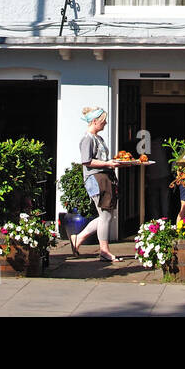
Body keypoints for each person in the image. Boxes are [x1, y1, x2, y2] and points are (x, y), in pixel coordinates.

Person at [70, 107, 121, 262]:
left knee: (107, 215)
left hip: (104, 177)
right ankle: (104, 250)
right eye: (103, 120)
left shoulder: (98, 138)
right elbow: (87, 161)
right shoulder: (88, 139)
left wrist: (112, 163)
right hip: (95, 179)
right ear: (94, 121)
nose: (105, 123)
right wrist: (107, 163)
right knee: (105, 215)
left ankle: (78, 239)